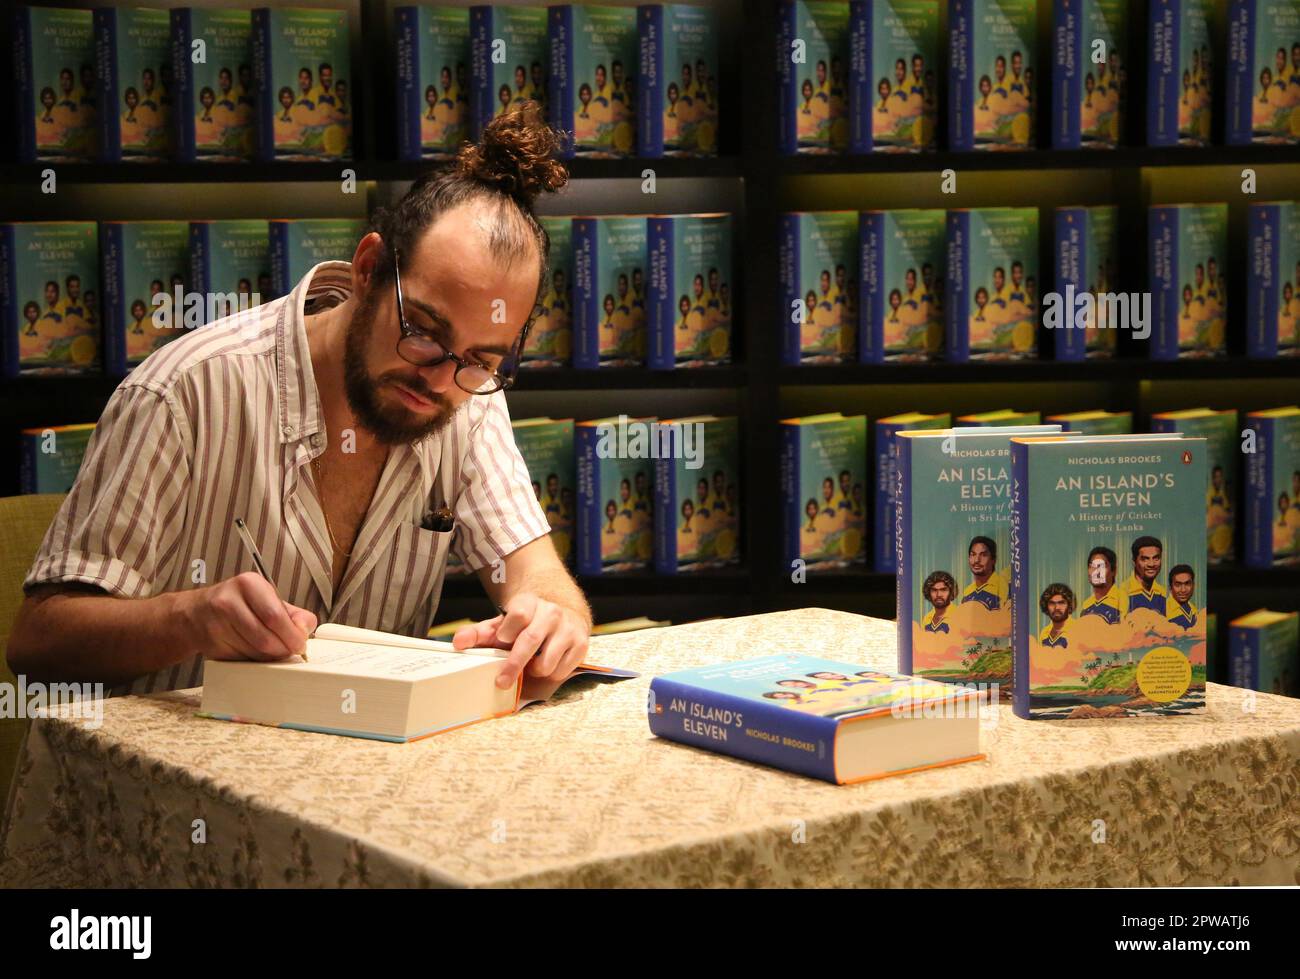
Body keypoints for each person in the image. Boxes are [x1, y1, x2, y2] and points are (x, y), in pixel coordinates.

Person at [10, 104, 593, 696]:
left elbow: (536, 572)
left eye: (481, 359)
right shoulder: (185, 393)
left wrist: (550, 617)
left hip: (353, 777)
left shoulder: (466, 397)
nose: (441, 380)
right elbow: (38, 645)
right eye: (422, 333)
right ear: (368, 269)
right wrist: (188, 618)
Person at [1038, 583, 1074, 648]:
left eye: (1061, 603)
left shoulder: (1077, 629)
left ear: (1069, 606)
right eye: (1052, 603)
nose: (1056, 607)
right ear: (1046, 606)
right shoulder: (1044, 633)